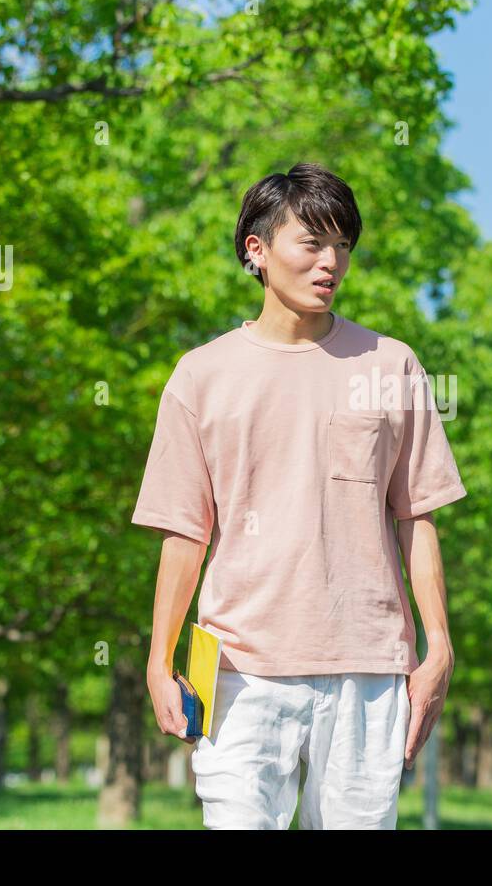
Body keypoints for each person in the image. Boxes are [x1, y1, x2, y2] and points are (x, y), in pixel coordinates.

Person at [132, 162, 466, 829]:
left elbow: (416, 520)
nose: (331, 262)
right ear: (256, 251)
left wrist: (439, 648)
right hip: (234, 667)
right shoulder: (200, 375)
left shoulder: (390, 364)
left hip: (368, 664)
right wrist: (158, 658)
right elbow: (183, 531)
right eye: (311, 243)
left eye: (342, 245)